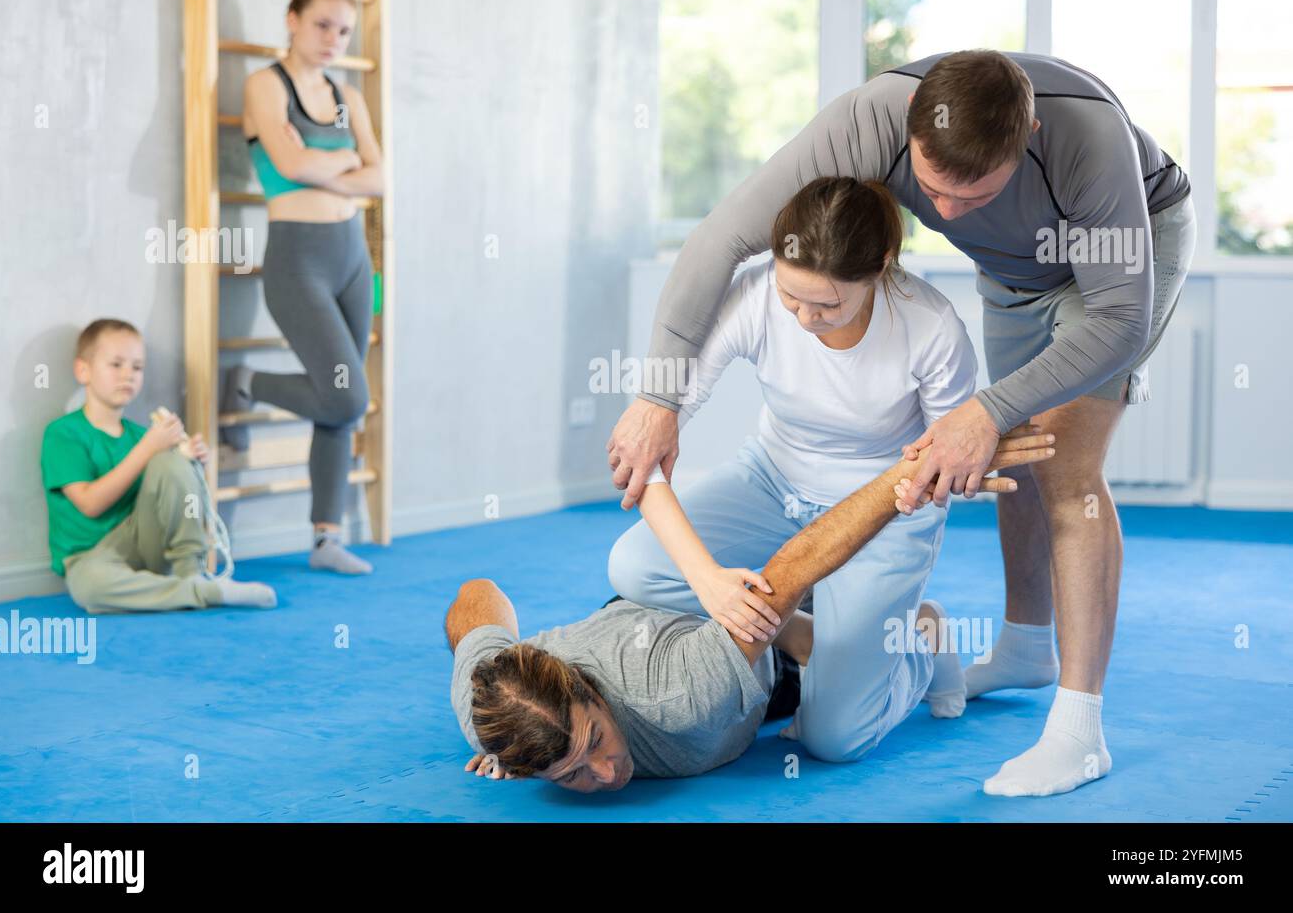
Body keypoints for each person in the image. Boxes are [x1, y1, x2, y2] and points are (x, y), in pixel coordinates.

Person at [607, 49, 1195, 797]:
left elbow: (1118, 318)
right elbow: (719, 239)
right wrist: (658, 395)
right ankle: (1023, 646)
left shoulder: (1089, 142)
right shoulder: (868, 120)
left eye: (972, 192)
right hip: (1014, 274)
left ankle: (1080, 731)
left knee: (1064, 462)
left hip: (1122, 264)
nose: (946, 212)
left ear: (1028, 137)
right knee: (1017, 456)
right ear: (910, 131)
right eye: (934, 188)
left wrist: (985, 409)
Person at [447, 425, 1056, 791]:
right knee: (768, 612)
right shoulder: (494, 710)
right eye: (571, 775)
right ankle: (837, 618)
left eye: (596, 741)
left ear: (585, 690)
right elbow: (476, 594)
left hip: (748, 646)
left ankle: (921, 636)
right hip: (686, 624)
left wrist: (920, 468)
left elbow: (789, 572)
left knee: (836, 738)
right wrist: (510, 741)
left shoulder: (684, 698)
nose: (605, 774)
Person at [607, 175, 979, 762]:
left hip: (882, 507)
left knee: (835, 740)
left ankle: (923, 641)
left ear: (881, 267)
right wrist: (709, 581)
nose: (804, 318)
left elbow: (938, 466)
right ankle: (804, 633)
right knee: (634, 566)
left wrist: (960, 470)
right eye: (791, 297)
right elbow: (646, 455)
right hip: (771, 480)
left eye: (827, 303)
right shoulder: (754, 295)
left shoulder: (932, 328)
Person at [226, 0, 384, 575]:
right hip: (297, 258)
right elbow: (288, 163)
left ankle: (324, 538)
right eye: (322, 24)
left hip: (351, 256)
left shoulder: (348, 97)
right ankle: (245, 380)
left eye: (344, 30)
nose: (333, 39)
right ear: (291, 19)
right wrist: (348, 161)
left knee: (338, 404)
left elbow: (382, 179)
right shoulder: (265, 85)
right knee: (348, 396)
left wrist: (329, 165)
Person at [41, 319, 276, 613]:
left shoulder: (143, 435)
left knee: (173, 462)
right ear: (83, 371)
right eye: (116, 364)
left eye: (137, 368)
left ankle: (191, 572)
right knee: (89, 589)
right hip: (90, 559)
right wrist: (148, 448)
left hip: (145, 545)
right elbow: (89, 504)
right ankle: (201, 591)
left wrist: (190, 462)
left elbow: (174, 491)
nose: (128, 375)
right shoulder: (63, 434)